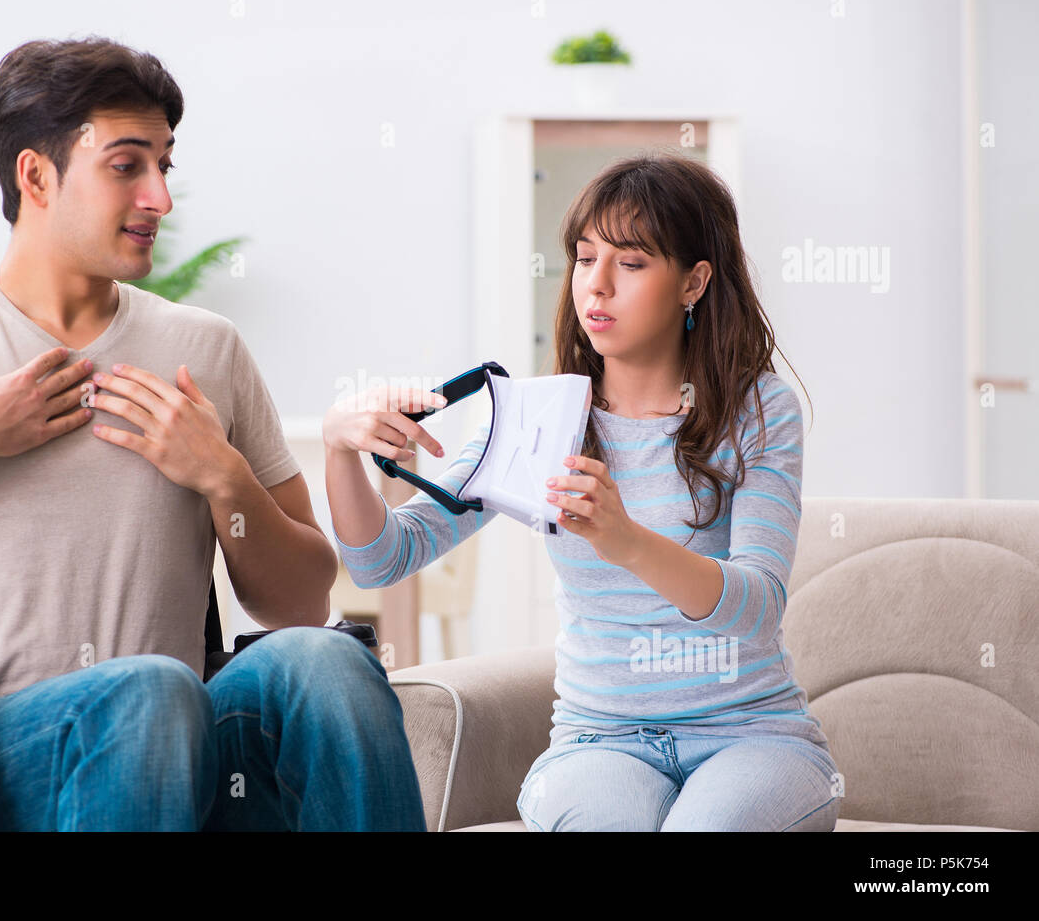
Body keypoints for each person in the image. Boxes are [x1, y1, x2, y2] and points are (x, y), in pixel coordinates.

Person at [0, 35, 425, 831]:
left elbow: (302, 602)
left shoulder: (205, 350)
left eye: (165, 165)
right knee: (150, 693)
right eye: (127, 165)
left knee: (329, 663)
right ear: (36, 175)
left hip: (180, 734)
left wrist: (223, 477)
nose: (161, 198)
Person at [323, 150, 838, 831]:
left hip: (751, 735)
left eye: (630, 262)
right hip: (600, 742)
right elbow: (382, 559)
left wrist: (626, 540)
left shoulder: (759, 409)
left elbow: (756, 605)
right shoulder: (540, 420)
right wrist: (340, 446)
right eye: (584, 257)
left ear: (695, 281)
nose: (595, 285)